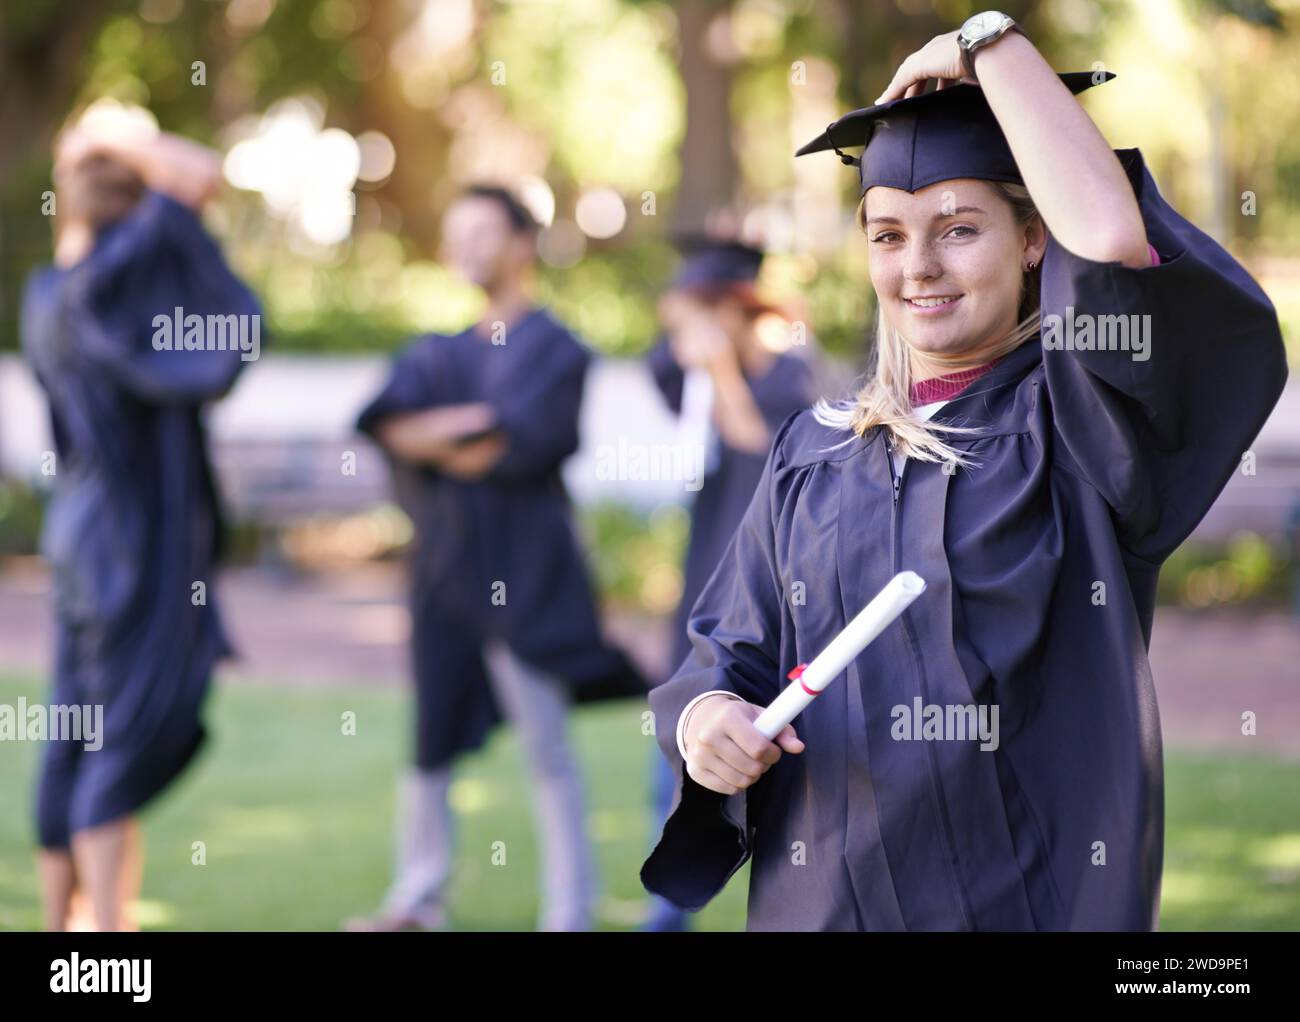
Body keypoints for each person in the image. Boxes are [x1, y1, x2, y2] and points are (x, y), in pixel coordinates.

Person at [640, 17, 1287, 931]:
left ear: (1032, 240)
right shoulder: (814, 452)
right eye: (888, 235)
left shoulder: (1077, 424)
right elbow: (727, 653)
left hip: (1022, 900)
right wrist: (707, 723)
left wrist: (989, 46)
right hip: (825, 902)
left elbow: (1107, 241)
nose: (919, 267)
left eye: (959, 228)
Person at [348, 185, 646, 932]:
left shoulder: (557, 349)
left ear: (522, 242)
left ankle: (569, 911)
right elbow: (386, 426)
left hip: (527, 578)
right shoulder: (435, 352)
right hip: (444, 571)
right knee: (430, 740)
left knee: (547, 748)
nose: (466, 246)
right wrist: (462, 429)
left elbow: (502, 450)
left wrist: (436, 435)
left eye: (482, 230)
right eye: (456, 233)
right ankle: (416, 900)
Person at [22, 113, 257, 931]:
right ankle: (109, 945)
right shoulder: (121, 278)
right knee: (117, 746)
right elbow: (202, 174)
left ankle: (61, 936)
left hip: (77, 537)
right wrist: (130, 149)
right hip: (133, 549)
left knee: (73, 734)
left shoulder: (49, 292)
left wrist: (96, 156)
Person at [641, 237, 816, 930]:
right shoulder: (691, 378)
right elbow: (661, 364)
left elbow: (762, 450)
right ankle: (667, 908)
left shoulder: (790, 378)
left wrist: (721, 366)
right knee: (678, 737)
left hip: (765, 600)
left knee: (762, 762)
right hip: (699, 590)